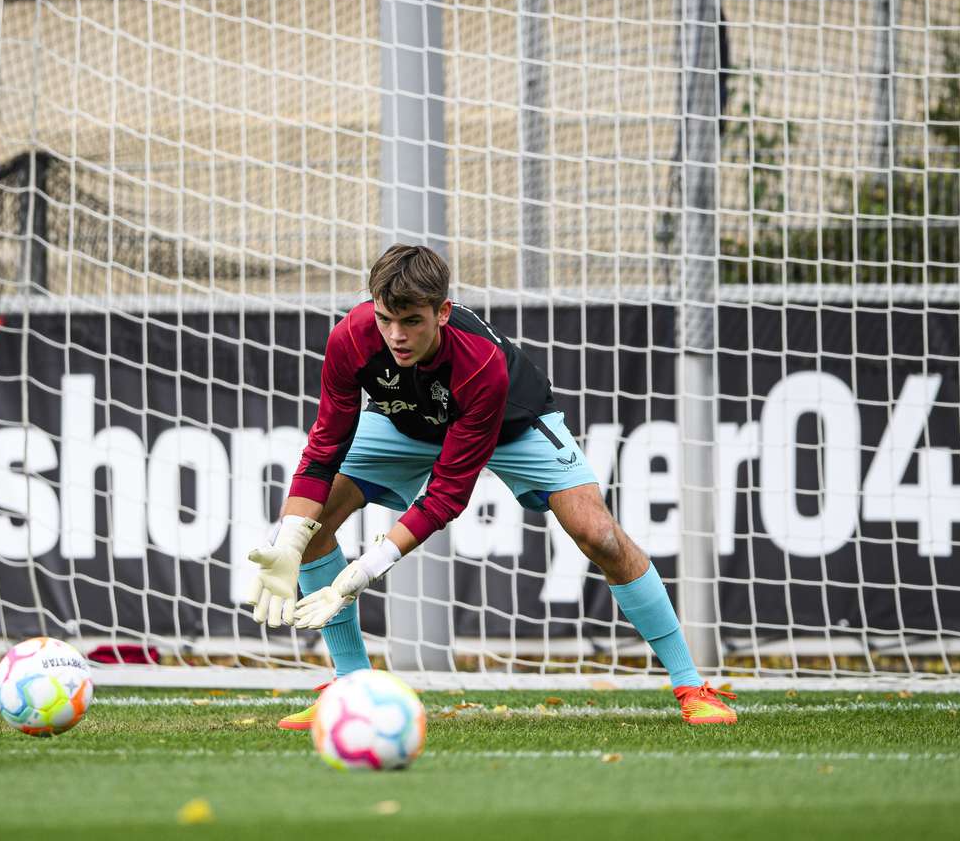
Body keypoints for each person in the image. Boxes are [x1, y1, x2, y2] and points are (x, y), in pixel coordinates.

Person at [247, 244, 737, 728]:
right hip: (404, 423)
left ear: (442, 312)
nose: (396, 336)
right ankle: (351, 691)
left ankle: (691, 685)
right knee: (313, 523)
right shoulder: (350, 337)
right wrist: (290, 538)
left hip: (511, 424)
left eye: (412, 321)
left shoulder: (481, 364)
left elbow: (446, 495)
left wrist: (368, 568)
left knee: (599, 535)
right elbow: (324, 446)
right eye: (384, 319)